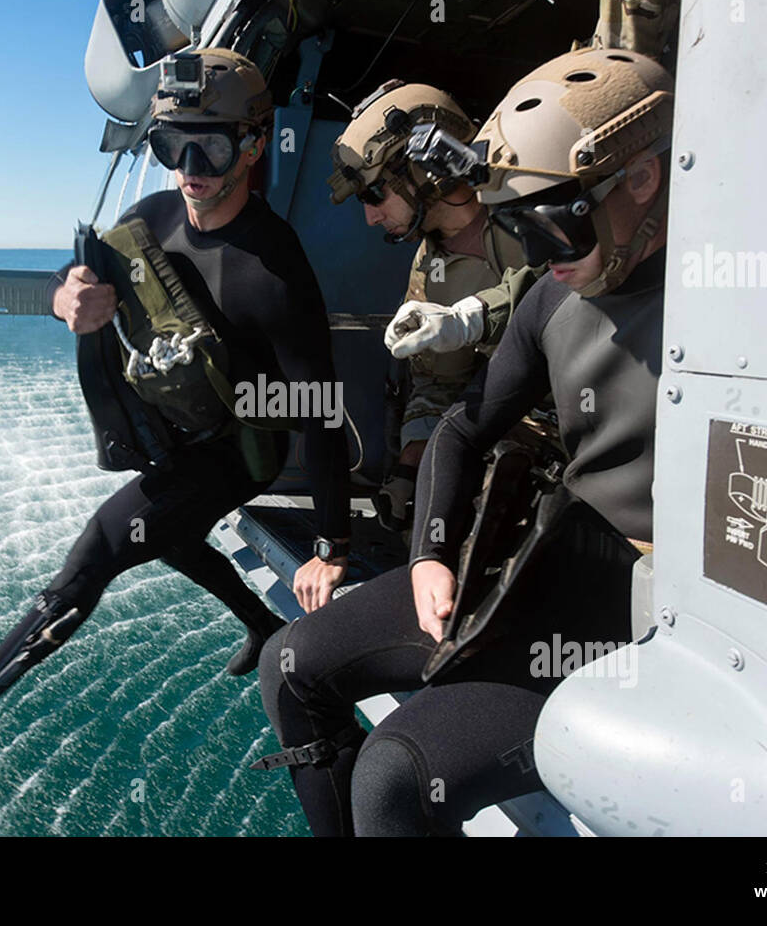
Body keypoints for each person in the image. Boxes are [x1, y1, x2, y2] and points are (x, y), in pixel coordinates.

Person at [0, 49, 352, 760]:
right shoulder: (154, 216)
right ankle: (259, 624)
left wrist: (331, 545)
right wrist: (63, 298)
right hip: (177, 426)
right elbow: (80, 272)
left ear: (255, 144)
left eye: (210, 144)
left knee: (105, 542)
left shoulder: (273, 268)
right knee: (167, 534)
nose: (190, 166)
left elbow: (321, 407)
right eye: (170, 145)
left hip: (241, 449)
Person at [256, 47, 674, 835]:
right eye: (520, 228)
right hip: (549, 553)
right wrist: (429, 554)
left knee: (393, 779)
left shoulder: (721, 304)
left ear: (643, 179)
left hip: (638, 603)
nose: (544, 258)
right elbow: (461, 425)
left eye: (552, 222)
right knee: (289, 666)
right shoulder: (554, 299)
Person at [327, 82, 536, 533]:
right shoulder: (428, 267)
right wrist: (410, 466)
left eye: (374, 195)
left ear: (422, 169)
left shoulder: (531, 200)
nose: (371, 217)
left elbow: (563, 286)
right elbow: (438, 385)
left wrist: (473, 319)